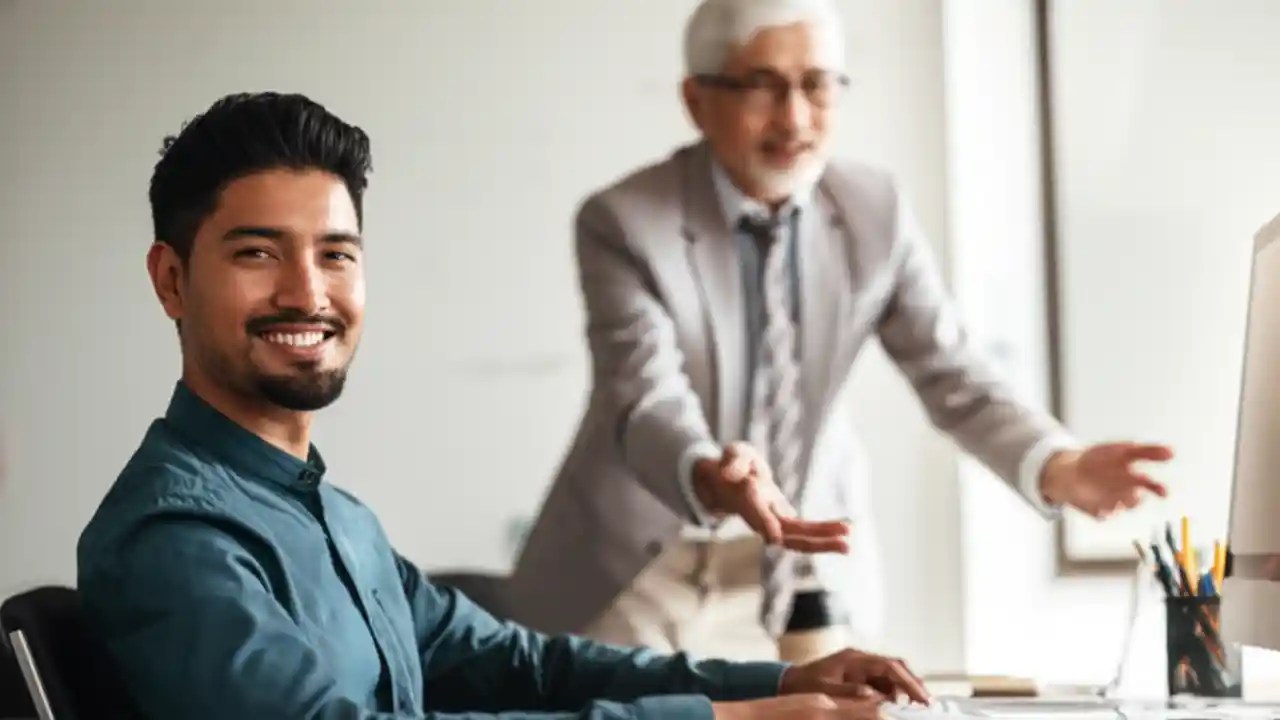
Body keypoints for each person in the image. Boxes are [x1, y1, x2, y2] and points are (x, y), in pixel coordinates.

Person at [76, 91, 931, 720]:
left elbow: (526, 668)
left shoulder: (336, 517)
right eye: (258, 253)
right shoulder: (175, 538)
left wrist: (781, 682)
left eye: (337, 255)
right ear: (172, 280)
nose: (308, 293)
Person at [508, 0, 1173, 663]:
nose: (794, 117)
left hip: (799, 564)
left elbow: (951, 370)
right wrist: (712, 474)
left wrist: (1058, 463)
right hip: (638, 564)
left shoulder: (873, 208)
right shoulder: (625, 220)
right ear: (697, 100)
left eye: (816, 84)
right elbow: (643, 397)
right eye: (762, 86)